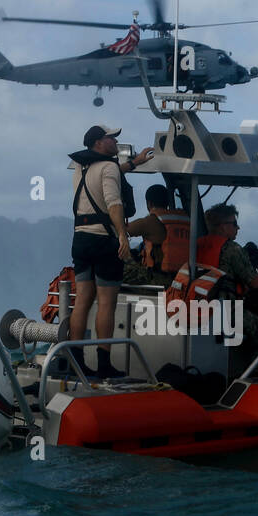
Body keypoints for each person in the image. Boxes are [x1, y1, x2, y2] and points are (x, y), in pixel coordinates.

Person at [68, 124, 154, 378]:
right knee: (106, 303)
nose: (116, 142)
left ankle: (76, 361)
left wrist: (134, 164)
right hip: (103, 240)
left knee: (82, 301)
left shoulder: (80, 166)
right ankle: (104, 364)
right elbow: (114, 204)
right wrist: (121, 236)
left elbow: (111, 172)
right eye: (111, 138)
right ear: (98, 143)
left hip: (80, 239)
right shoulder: (108, 167)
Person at [201, 203, 258, 364]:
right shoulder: (233, 249)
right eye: (234, 224)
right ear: (223, 227)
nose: (238, 228)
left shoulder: (198, 244)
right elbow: (255, 282)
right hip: (227, 311)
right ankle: (252, 375)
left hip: (201, 306)